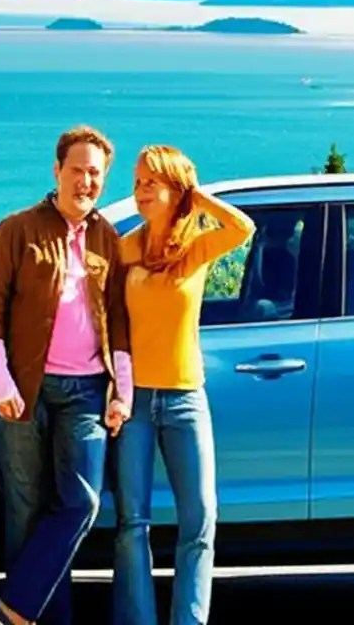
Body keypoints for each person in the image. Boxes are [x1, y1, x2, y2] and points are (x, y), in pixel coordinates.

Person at [0, 125, 135, 625]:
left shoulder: (109, 240)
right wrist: (1, 383)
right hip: (26, 391)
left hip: (88, 391)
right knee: (26, 511)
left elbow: (121, 322)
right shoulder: (18, 229)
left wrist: (121, 394)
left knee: (80, 505)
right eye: (78, 170)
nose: (86, 182)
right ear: (57, 171)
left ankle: (13, 608)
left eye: (95, 174)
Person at [112, 144, 255, 625]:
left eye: (152, 182)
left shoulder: (197, 247)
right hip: (133, 403)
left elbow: (243, 227)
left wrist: (198, 196)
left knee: (199, 520)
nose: (140, 192)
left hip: (185, 399)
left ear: (177, 187)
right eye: (136, 183)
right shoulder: (129, 246)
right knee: (132, 523)